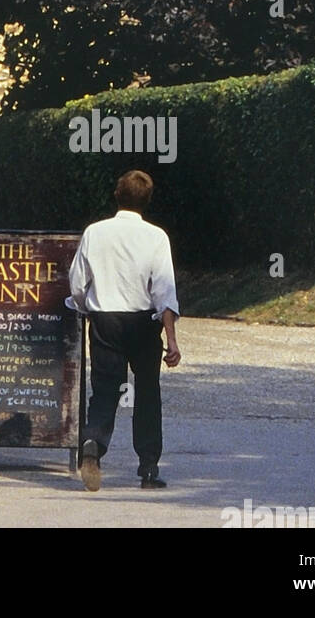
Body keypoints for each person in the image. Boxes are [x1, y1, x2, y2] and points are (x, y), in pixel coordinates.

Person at [67, 169, 182, 492]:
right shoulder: (157, 237)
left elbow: (77, 282)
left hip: (105, 318)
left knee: (105, 389)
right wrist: (171, 339)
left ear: (117, 196)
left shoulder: (95, 232)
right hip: (144, 322)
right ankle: (148, 467)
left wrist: (85, 307)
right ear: (147, 201)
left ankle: (93, 444)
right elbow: (163, 292)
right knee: (147, 392)